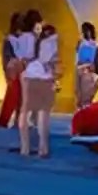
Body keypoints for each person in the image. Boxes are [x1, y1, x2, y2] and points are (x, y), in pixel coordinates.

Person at [16, 14, 59, 158]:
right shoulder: (49, 38)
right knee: (43, 113)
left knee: (25, 111)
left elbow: (21, 58)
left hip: (29, 77)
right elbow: (50, 59)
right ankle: (43, 147)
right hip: (45, 78)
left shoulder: (23, 39)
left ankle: (25, 147)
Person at [0, 13, 23, 129]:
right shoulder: (9, 39)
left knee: (21, 97)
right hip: (13, 71)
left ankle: (18, 120)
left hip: (22, 70)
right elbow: (5, 56)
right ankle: (3, 121)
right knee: (11, 97)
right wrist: (7, 71)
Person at [75, 22, 98, 109]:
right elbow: (77, 56)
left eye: (83, 30)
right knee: (79, 93)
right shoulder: (81, 43)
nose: (82, 33)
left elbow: (95, 60)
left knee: (86, 95)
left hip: (88, 70)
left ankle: (84, 110)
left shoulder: (95, 45)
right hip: (80, 68)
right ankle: (80, 110)